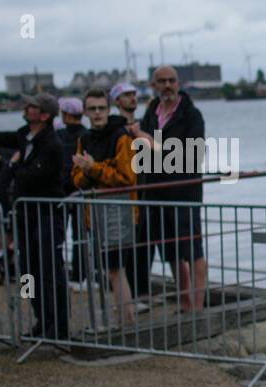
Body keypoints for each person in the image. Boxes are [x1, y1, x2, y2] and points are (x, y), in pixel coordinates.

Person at [0, 91, 70, 339]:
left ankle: (58, 324)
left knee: (50, 272)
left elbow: (33, 177)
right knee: (27, 273)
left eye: (32, 106)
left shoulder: (52, 144)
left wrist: (11, 165)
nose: (27, 107)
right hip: (24, 217)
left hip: (47, 216)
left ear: (43, 115)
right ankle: (39, 317)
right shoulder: (23, 135)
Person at [139, 65, 207, 312]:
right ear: (153, 85)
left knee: (193, 250)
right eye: (162, 81)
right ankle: (185, 302)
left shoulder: (191, 115)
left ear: (178, 84)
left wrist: (154, 146)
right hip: (156, 192)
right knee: (170, 252)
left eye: (171, 80)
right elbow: (141, 154)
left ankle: (198, 307)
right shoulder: (150, 114)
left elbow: (194, 153)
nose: (167, 85)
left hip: (184, 192)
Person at [72, 88, 137, 324]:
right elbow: (77, 177)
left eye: (101, 108)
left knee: (115, 269)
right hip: (95, 213)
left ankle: (126, 322)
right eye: (92, 109)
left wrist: (93, 168)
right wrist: (88, 171)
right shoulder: (85, 139)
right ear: (86, 112)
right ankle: (123, 320)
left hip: (119, 213)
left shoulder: (121, 136)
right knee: (111, 270)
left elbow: (127, 176)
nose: (97, 113)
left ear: (109, 110)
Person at [110, 81, 153, 303]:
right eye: (126, 95)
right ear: (117, 101)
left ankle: (142, 293)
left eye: (134, 94)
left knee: (143, 244)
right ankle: (130, 297)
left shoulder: (143, 125)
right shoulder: (115, 129)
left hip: (144, 189)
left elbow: (159, 151)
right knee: (125, 247)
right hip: (124, 192)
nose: (133, 98)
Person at [55, 97, 88, 285]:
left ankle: (58, 274)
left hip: (62, 192)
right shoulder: (87, 135)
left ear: (65, 115)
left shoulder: (58, 136)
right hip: (82, 191)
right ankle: (80, 276)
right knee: (81, 237)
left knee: (58, 236)